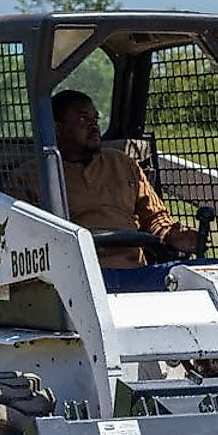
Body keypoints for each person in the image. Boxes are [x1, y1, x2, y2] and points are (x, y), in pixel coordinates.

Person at [49, 89, 200, 289]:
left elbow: (154, 216)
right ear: (56, 127)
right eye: (83, 118)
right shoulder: (33, 177)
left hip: (138, 273)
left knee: (215, 273)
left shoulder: (123, 164)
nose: (94, 125)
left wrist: (171, 234)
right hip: (81, 279)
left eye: (95, 117)